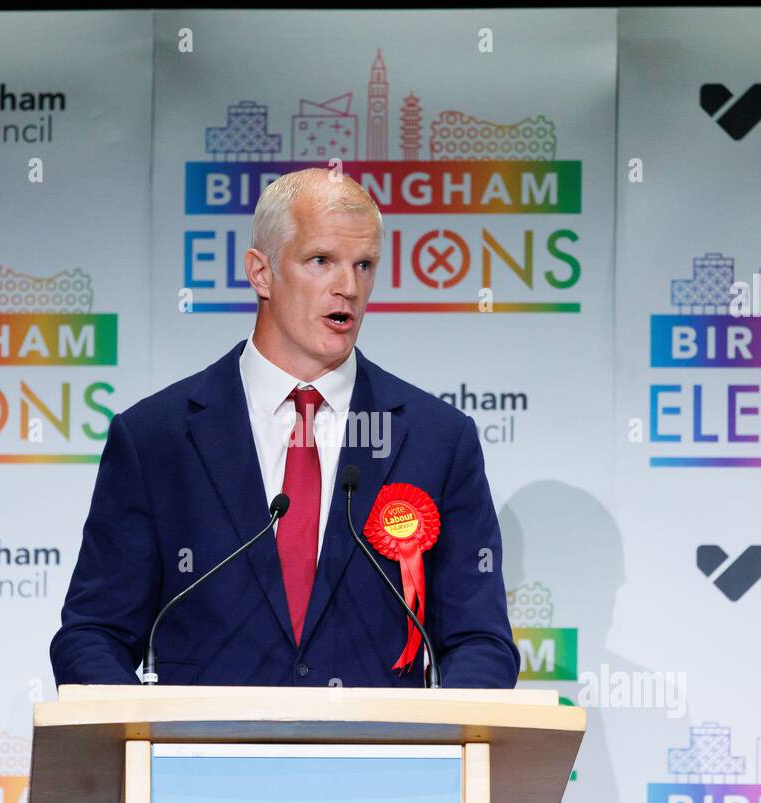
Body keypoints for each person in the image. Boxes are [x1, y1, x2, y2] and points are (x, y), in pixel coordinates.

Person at [50, 167, 518, 688]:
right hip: (202, 765)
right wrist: (149, 742)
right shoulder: (155, 439)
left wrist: (432, 749)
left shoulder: (437, 440)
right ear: (261, 273)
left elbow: (480, 642)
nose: (349, 287)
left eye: (365, 265)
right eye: (322, 261)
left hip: (381, 765)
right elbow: (93, 636)